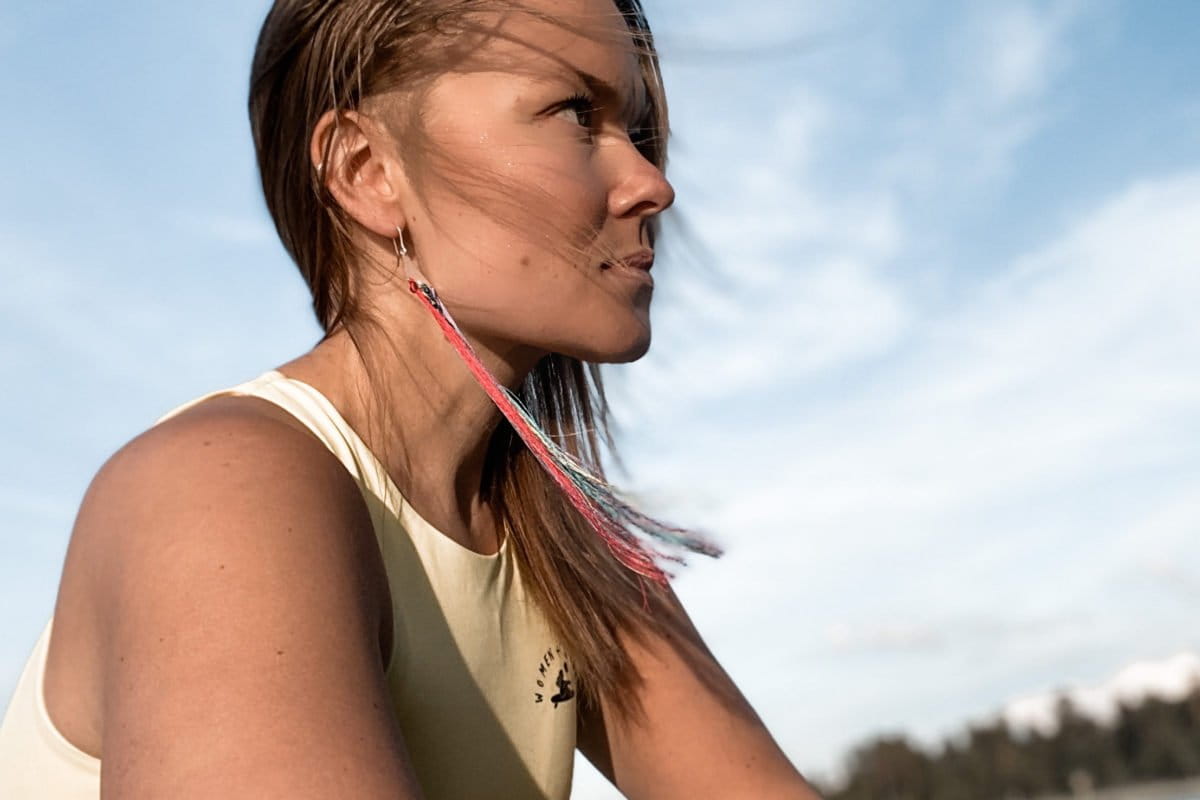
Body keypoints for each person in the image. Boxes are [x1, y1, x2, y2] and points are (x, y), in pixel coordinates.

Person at [0, 0, 821, 797]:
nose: (651, 183)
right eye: (576, 113)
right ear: (367, 171)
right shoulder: (223, 493)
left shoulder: (565, 544)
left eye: (637, 131)